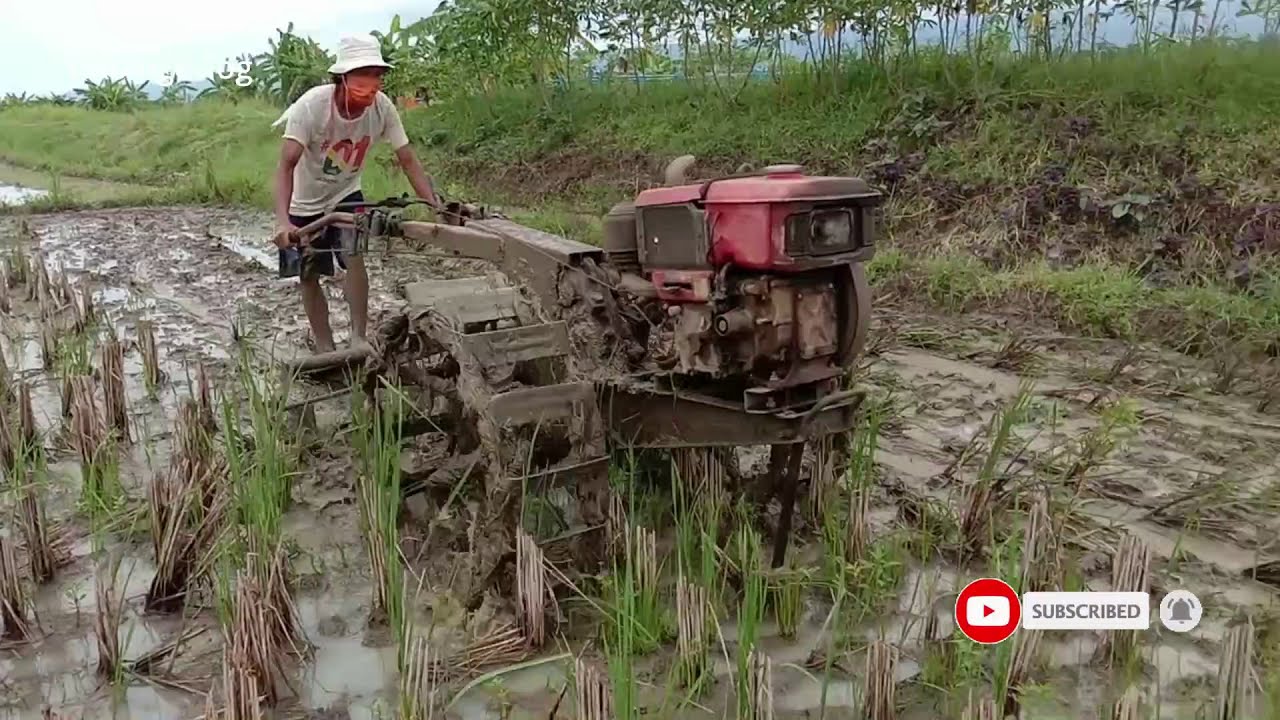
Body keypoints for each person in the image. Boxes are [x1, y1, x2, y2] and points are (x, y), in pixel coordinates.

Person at [270, 34, 441, 354]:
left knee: (354, 256)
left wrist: (435, 206)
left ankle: (358, 337)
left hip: (346, 193)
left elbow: (407, 159)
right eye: (363, 76)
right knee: (309, 273)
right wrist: (283, 222)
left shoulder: (382, 108)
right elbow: (285, 166)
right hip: (304, 201)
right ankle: (325, 346)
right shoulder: (311, 107)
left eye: (376, 75)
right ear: (342, 78)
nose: (370, 85)